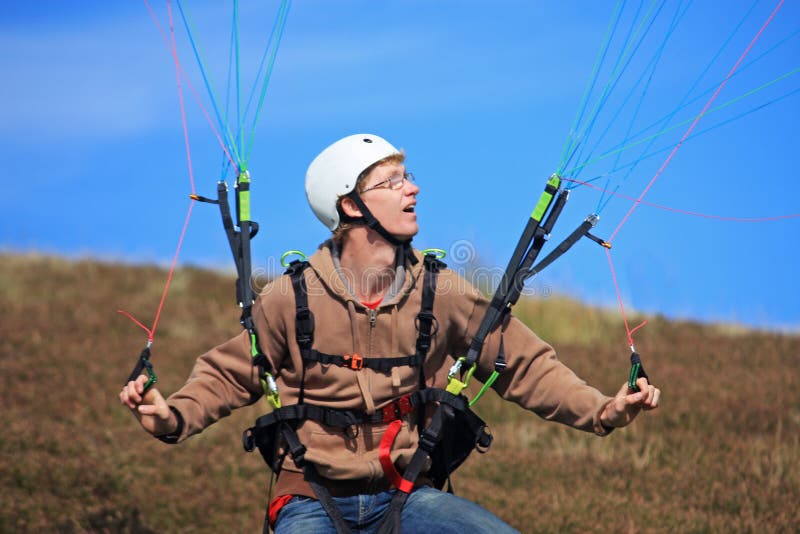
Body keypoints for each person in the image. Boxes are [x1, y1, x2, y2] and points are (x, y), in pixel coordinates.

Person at [120, 133, 661, 533]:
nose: (413, 188)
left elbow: (524, 365)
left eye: (408, 176)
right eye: (393, 181)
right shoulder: (291, 298)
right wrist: (173, 416)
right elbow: (228, 374)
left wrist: (602, 410)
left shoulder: (440, 292)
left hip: (409, 496)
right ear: (351, 205)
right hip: (309, 500)